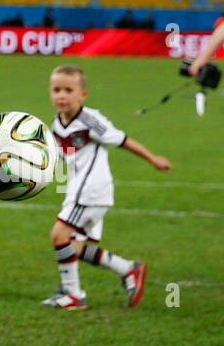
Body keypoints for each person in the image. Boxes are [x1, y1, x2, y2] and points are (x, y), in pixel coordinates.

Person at [42, 65, 170, 310]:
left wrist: (153, 159)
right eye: (56, 89)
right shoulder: (57, 125)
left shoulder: (92, 121)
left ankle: (73, 295)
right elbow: (63, 156)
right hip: (79, 191)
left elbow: (122, 141)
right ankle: (129, 269)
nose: (61, 95)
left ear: (83, 95)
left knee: (58, 236)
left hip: (91, 190)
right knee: (73, 247)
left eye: (69, 90)